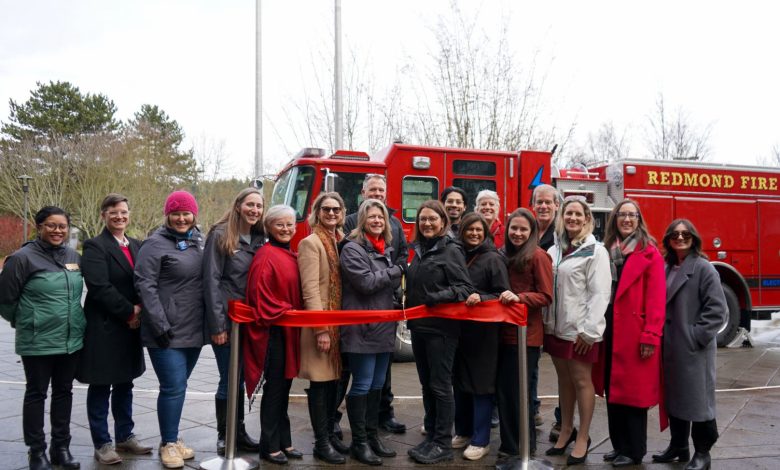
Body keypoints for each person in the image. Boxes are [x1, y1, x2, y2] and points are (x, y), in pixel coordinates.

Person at [0, 206, 85, 470]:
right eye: (51, 225)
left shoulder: (73, 256)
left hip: (71, 339)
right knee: (36, 394)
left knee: (64, 392)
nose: (57, 231)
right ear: (39, 227)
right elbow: (5, 300)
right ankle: (36, 452)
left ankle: (61, 447)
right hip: (38, 341)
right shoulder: (22, 258)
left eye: (62, 226)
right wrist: (27, 321)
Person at [134, 190, 206, 469]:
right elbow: (145, 285)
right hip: (166, 331)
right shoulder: (154, 244)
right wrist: (159, 323)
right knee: (173, 387)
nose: (181, 218)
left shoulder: (198, 240)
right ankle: (168, 444)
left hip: (194, 329)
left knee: (180, 386)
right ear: (167, 215)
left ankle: (174, 438)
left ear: (194, 214)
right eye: (175, 213)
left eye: (186, 212)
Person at [78, 194, 152, 465]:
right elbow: (99, 286)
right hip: (105, 326)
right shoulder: (95, 246)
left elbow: (145, 280)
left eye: (123, 211)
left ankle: (124, 435)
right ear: (103, 215)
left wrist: (141, 308)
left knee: (125, 383)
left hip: (130, 328)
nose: (119, 216)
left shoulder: (136, 245)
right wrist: (128, 312)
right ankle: (102, 442)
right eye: (113, 212)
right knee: (100, 386)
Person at [594, 200, 665, 467]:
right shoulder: (607, 250)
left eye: (631, 215)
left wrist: (650, 335)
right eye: (621, 215)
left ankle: (634, 450)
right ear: (614, 219)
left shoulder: (650, 254)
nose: (626, 219)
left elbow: (657, 300)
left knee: (633, 396)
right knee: (613, 391)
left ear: (639, 219)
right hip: (611, 329)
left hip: (635, 333)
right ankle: (619, 445)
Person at [652, 219, 726, 470]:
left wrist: (695, 337)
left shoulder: (704, 269)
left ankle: (703, 453)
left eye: (685, 234)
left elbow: (717, 310)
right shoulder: (665, 267)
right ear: (668, 239)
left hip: (693, 351)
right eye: (674, 234)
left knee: (699, 403)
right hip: (670, 348)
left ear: (693, 238)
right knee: (676, 399)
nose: (680, 238)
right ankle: (679, 446)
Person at [406, 200, 473, 465]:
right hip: (419, 327)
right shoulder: (420, 249)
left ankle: (443, 442)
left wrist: (438, 297)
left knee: (441, 385)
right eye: (423, 219)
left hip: (442, 331)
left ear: (443, 221)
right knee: (427, 385)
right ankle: (432, 435)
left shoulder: (451, 250)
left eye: (432, 219)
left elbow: (465, 288)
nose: (427, 223)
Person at [544, 196, 611, 466]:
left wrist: (590, 330)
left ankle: (583, 436)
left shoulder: (596, 251)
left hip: (581, 330)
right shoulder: (554, 250)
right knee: (564, 380)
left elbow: (600, 293)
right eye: (568, 214)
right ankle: (566, 429)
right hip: (556, 328)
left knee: (583, 381)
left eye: (577, 214)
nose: (572, 218)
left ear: (587, 219)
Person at [341, 174, 408, 435]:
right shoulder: (352, 240)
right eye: (373, 189)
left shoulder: (392, 231)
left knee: (379, 381)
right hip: (363, 323)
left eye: (382, 190)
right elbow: (367, 281)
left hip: (384, 318)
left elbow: (401, 255)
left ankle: (375, 429)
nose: (378, 194)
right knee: (362, 381)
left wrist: (397, 281)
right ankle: (360, 439)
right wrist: (396, 272)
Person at [202, 188, 264, 455]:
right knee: (229, 379)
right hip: (227, 322)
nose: (255, 210)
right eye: (250, 204)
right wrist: (218, 326)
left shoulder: (261, 237)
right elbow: (211, 282)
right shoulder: (220, 234)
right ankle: (224, 435)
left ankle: (238, 431)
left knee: (240, 378)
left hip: (252, 322)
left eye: (259, 206)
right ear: (238, 205)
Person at [243, 205, 302, 466]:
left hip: (288, 331)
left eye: (290, 224)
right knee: (276, 389)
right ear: (268, 227)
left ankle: (284, 440)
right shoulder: (266, 255)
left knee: (285, 387)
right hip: (274, 332)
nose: (286, 228)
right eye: (280, 224)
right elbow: (259, 296)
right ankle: (269, 445)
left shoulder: (289, 253)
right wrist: (288, 312)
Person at [451, 213, 510, 461]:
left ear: (485, 232)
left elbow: (502, 293)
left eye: (478, 230)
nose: (474, 233)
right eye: (469, 230)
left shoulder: (494, 259)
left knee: (481, 387)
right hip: (459, 332)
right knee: (461, 384)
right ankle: (463, 431)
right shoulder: (456, 255)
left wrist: (482, 298)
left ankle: (481, 439)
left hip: (484, 335)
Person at [497, 208, 553, 459]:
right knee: (506, 394)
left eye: (523, 229)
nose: (517, 233)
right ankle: (510, 445)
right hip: (503, 335)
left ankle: (523, 446)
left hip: (525, 338)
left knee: (519, 395)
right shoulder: (504, 254)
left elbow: (546, 295)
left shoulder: (538, 256)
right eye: (514, 228)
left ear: (531, 233)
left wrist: (519, 298)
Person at [298, 192, 349, 464]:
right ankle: (321, 443)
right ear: (317, 212)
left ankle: (329, 435)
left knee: (333, 384)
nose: (331, 214)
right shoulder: (311, 243)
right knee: (319, 384)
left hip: (338, 325)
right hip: (321, 325)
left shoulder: (339, 241)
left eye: (336, 209)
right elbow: (310, 291)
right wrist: (321, 329)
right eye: (326, 209)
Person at [532, 184, 562, 437]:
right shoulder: (530, 232)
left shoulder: (562, 233)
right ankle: (532, 409)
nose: (543, 206)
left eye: (547, 202)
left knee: (564, 368)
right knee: (530, 363)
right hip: (533, 311)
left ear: (556, 206)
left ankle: (563, 422)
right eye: (539, 202)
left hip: (558, 310)